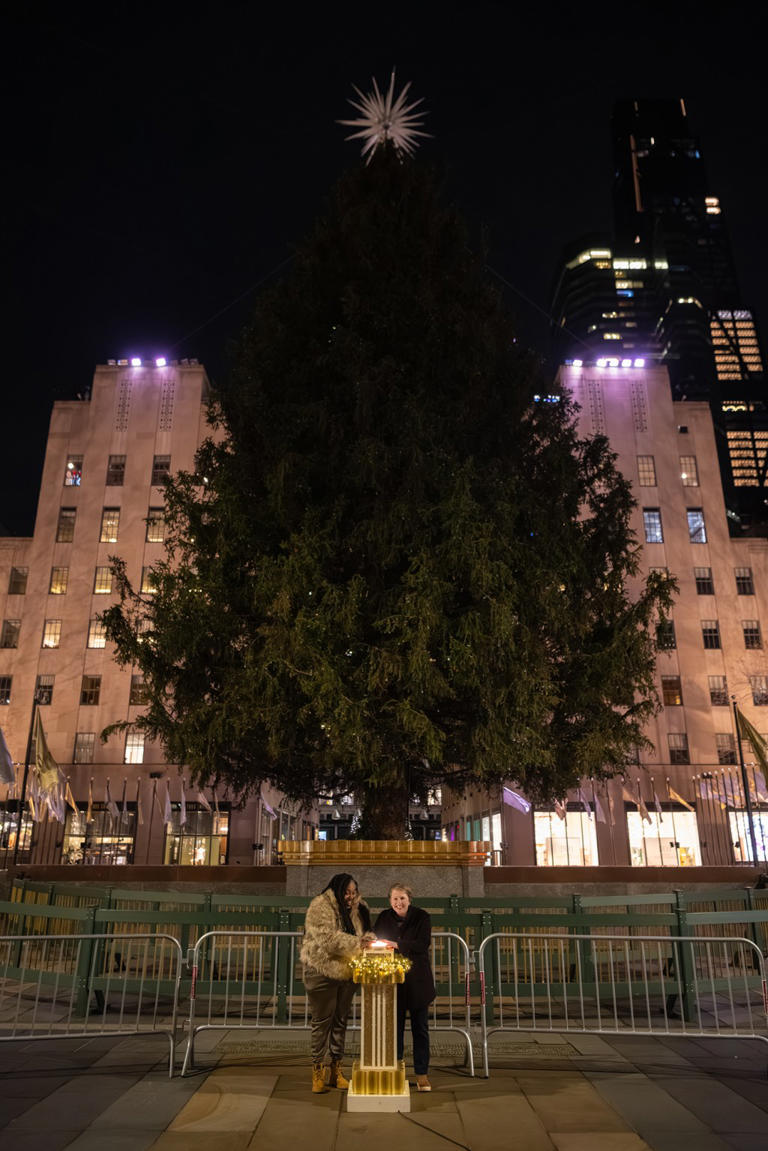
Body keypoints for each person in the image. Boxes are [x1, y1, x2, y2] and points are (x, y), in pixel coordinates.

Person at [300, 872, 375, 1093]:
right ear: (337, 890)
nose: (350, 897)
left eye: (354, 892)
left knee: (340, 1022)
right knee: (322, 1022)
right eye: (346, 892)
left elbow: (365, 931)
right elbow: (327, 939)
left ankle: (336, 1070)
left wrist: (367, 940)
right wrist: (359, 943)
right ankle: (317, 1071)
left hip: (347, 973)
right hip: (322, 971)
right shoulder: (321, 905)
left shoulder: (360, 908)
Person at [374, 883, 435, 1091]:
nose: (399, 903)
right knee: (394, 1030)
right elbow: (378, 939)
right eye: (395, 899)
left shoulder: (422, 917)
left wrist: (397, 944)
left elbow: (422, 944)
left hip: (417, 980)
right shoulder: (384, 917)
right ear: (389, 901)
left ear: (410, 899)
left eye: (402, 898)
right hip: (393, 980)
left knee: (420, 1030)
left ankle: (422, 1075)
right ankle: (395, 1071)